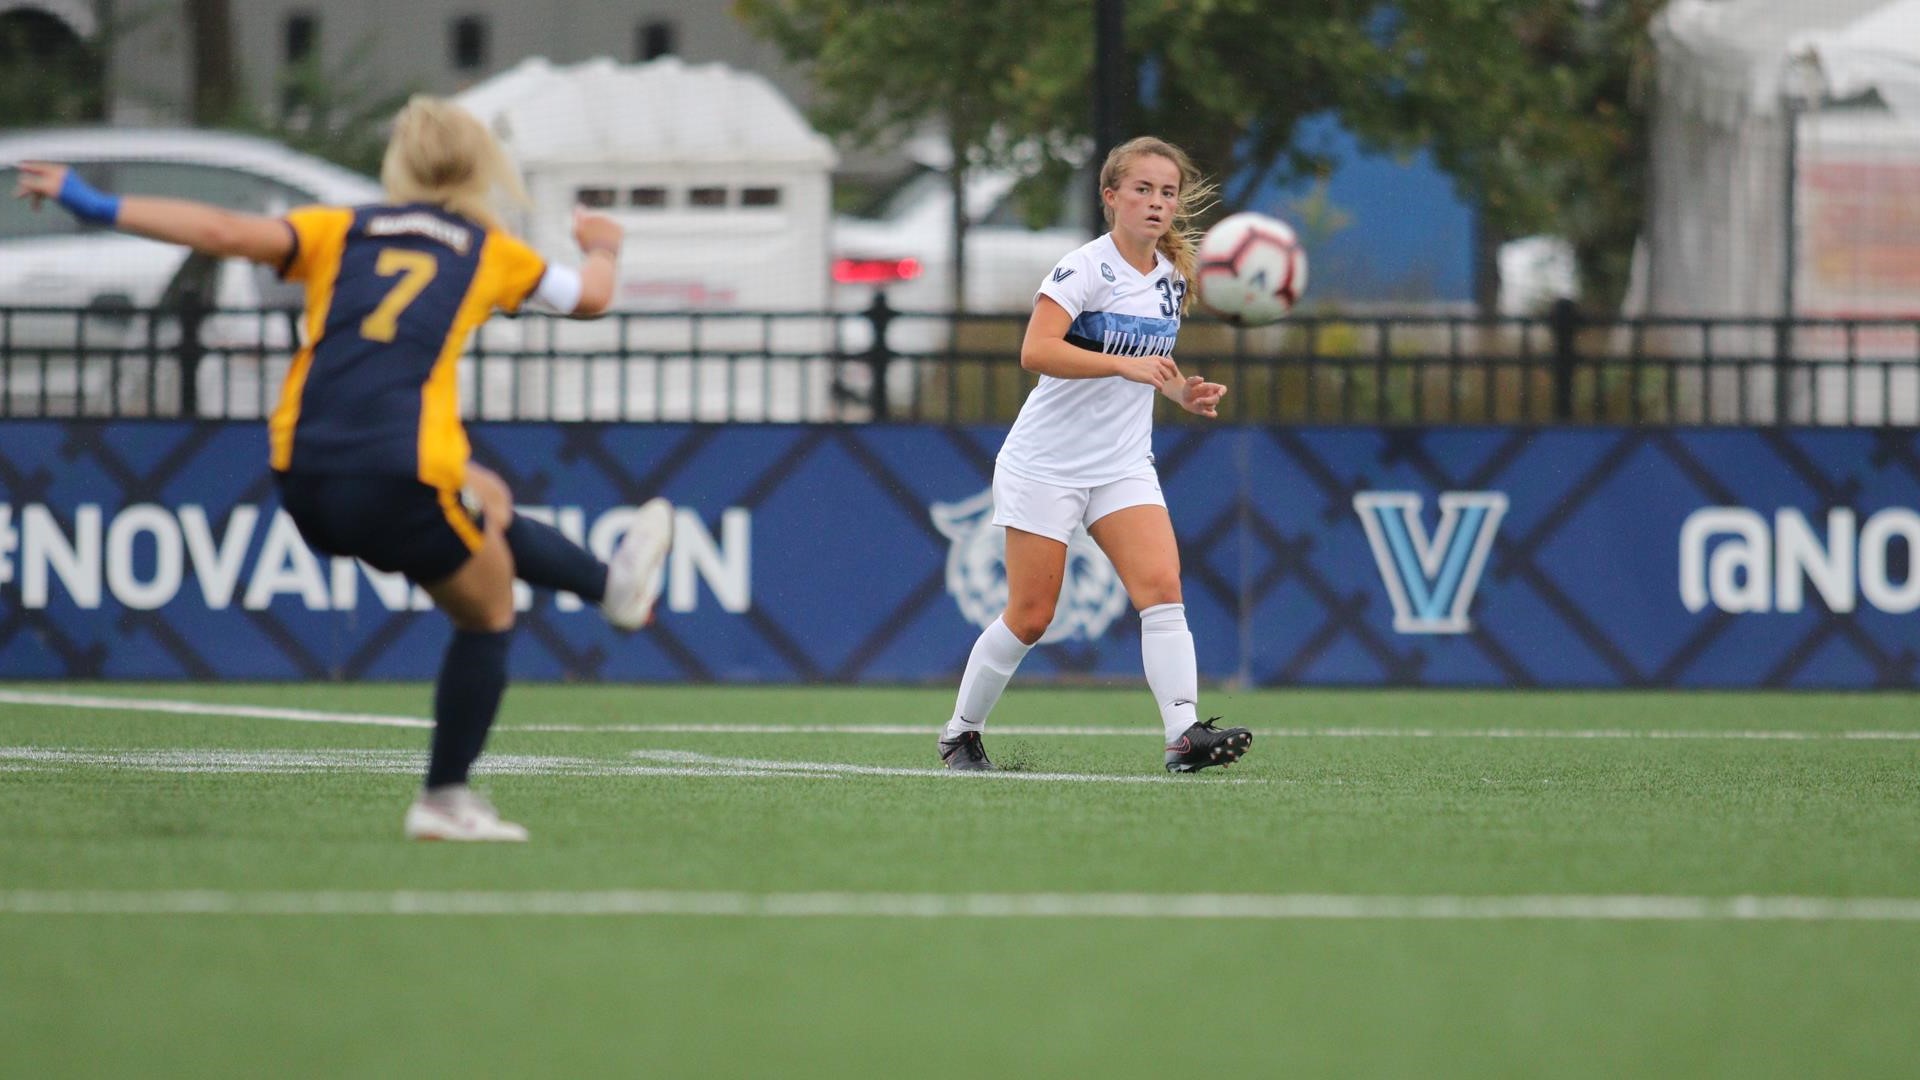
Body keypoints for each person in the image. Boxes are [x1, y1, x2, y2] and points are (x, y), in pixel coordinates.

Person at [13, 96, 674, 840]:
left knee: (483, 499)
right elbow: (590, 297)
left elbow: (220, 231)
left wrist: (94, 202)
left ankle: (609, 587)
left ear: (399, 165)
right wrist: (604, 243)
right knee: (489, 613)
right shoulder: (488, 250)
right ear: (482, 171)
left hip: (304, 469)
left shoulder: (340, 226)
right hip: (397, 469)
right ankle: (446, 799)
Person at [938, 136, 1253, 774]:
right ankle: (960, 733)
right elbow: (1037, 351)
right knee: (1030, 617)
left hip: (1122, 466)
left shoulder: (1173, 278)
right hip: (1045, 464)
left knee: (1163, 591)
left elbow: (1146, 369)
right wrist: (1125, 366)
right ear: (1111, 197)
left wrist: (1182, 392)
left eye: (1168, 192)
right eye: (1142, 189)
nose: (1156, 203)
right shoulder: (1084, 267)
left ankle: (1183, 735)